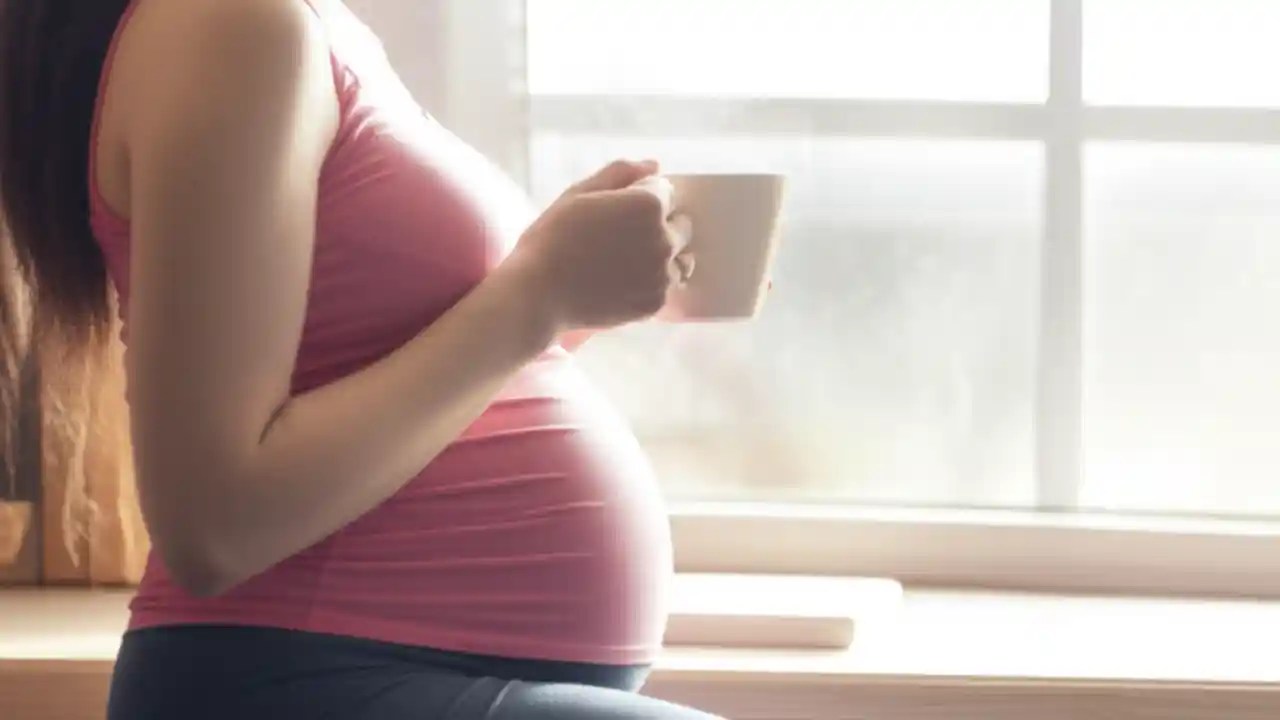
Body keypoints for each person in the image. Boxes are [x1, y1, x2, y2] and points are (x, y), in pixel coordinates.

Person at [0, 0, 716, 717]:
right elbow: (211, 525)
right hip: (304, 676)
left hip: (352, 671)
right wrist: (539, 294)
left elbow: (369, 362)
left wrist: (576, 295)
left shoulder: (290, 28)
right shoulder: (228, 26)